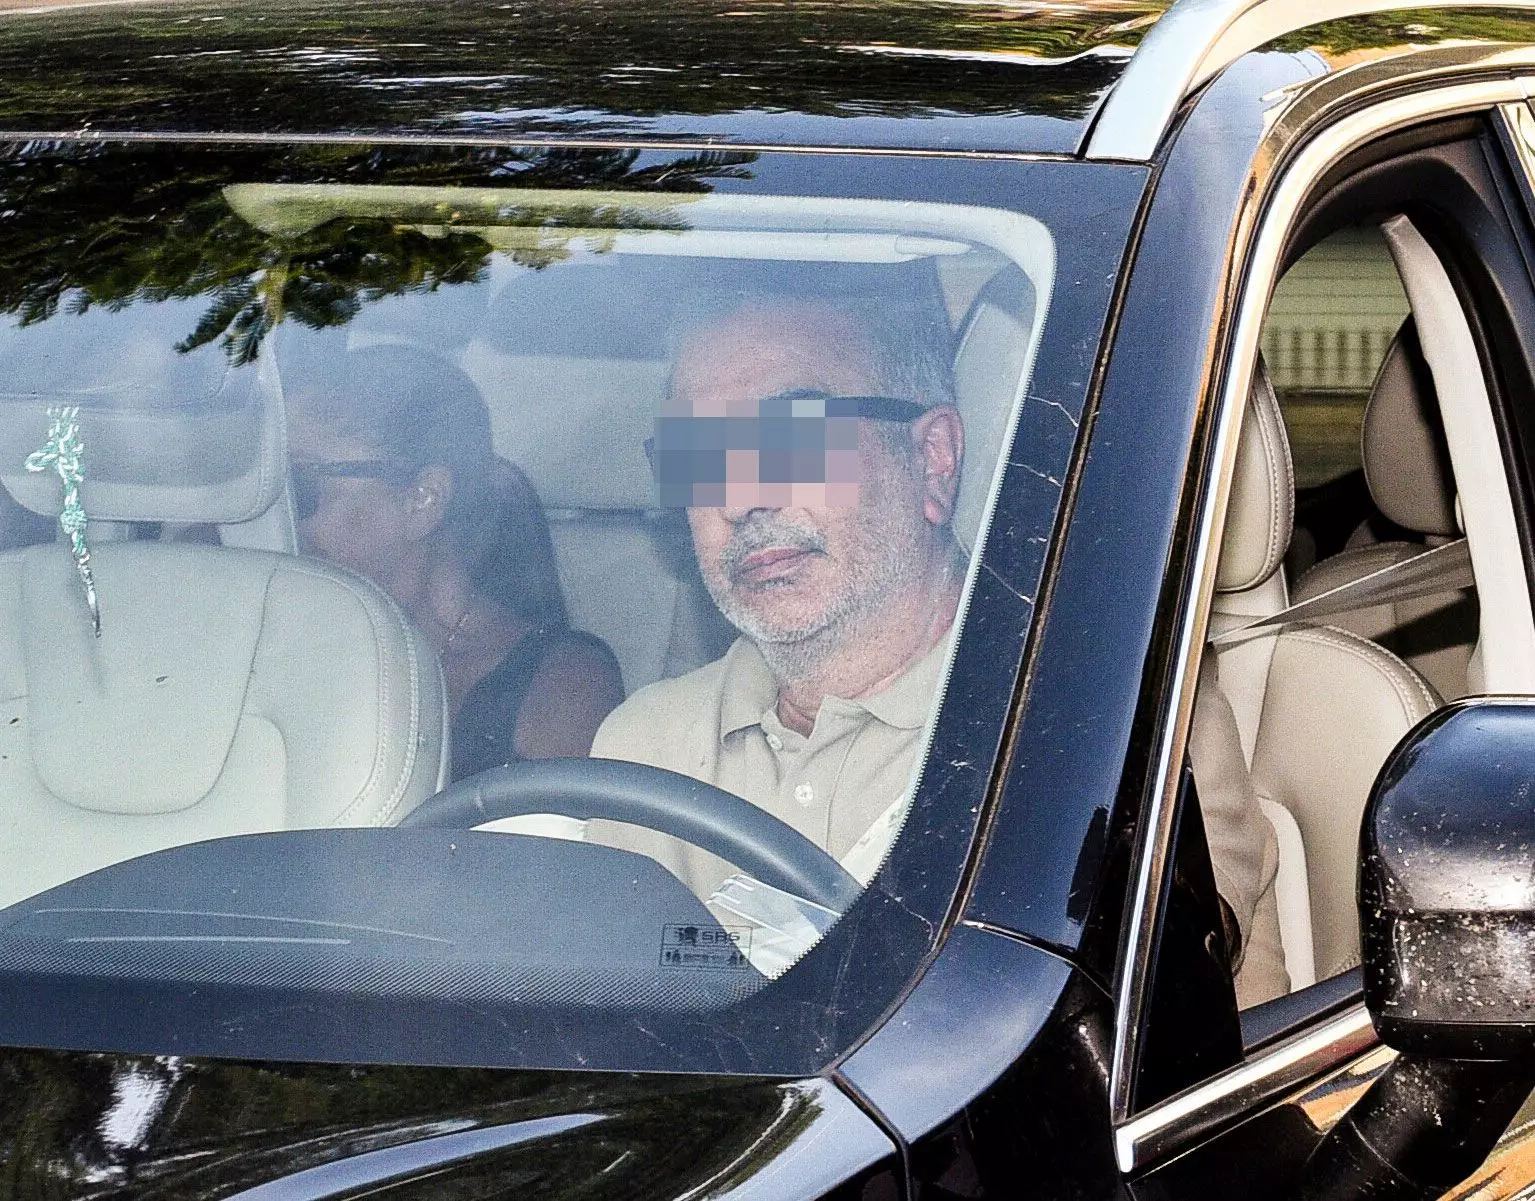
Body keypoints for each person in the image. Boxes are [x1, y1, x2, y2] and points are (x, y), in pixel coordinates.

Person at [590, 296, 1285, 997]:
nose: (737, 498)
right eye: (696, 454)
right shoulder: (639, 751)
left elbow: (1126, 1007)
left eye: (784, 435)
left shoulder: (1100, 714)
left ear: (932, 457)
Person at [284, 342, 624, 777]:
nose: (279, 514)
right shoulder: (276, 649)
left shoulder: (562, 684)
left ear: (422, 500)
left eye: (300, 485)